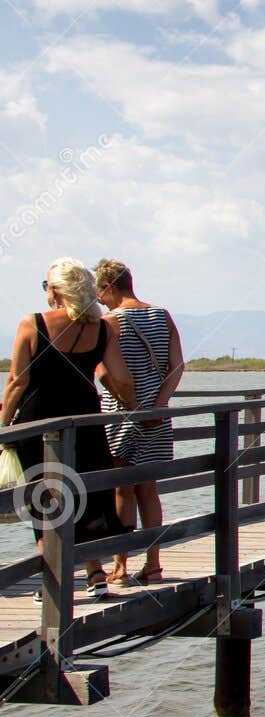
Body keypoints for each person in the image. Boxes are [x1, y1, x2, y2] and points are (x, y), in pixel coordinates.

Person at [0, 258, 136, 602]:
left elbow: (18, 381)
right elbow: (119, 377)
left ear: (58, 291)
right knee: (86, 498)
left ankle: (53, 581)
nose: (45, 292)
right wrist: (136, 409)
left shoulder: (32, 324)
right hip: (85, 423)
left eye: (46, 286)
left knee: (44, 500)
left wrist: (3, 426)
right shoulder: (103, 328)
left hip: (38, 425)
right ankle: (95, 573)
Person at [94, 259, 185, 586]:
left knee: (122, 490)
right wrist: (157, 407)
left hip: (121, 416)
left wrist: (132, 407)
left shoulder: (109, 322)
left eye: (98, 290)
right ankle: (154, 564)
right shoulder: (162, 315)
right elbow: (177, 366)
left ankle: (120, 565)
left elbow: (104, 372)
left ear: (108, 287)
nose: (98, 297)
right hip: (157, 416)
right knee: (150, 490)